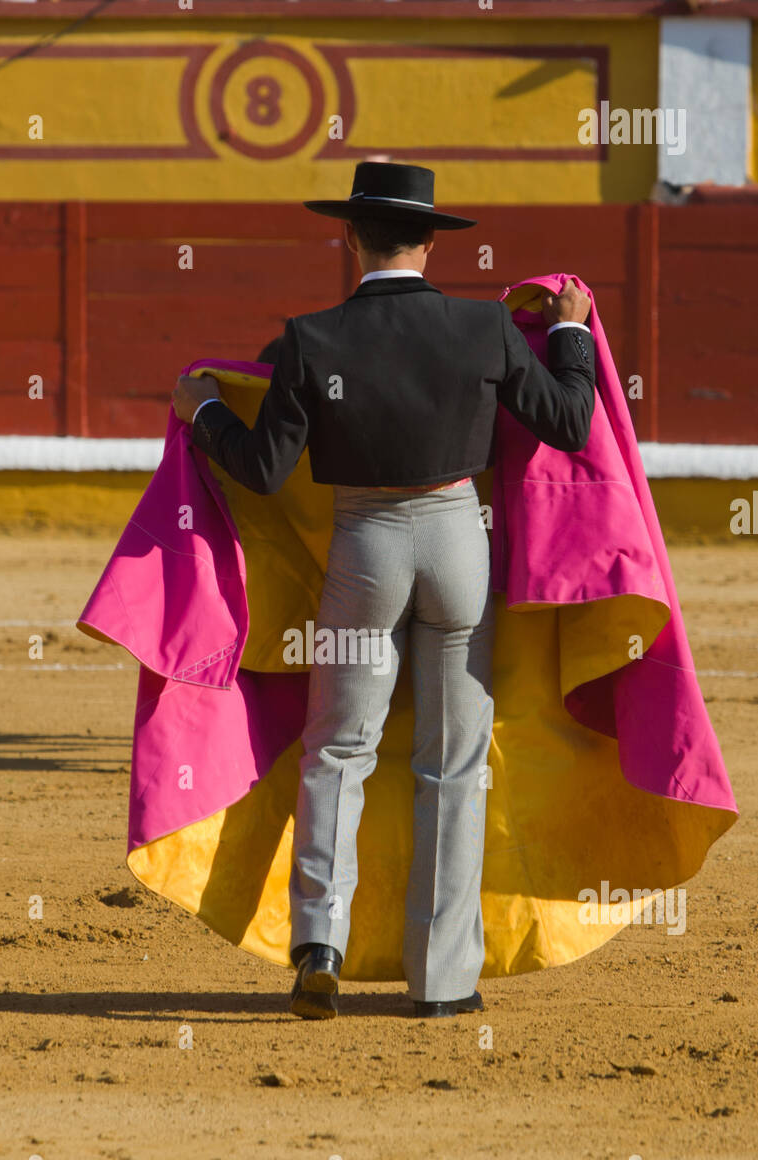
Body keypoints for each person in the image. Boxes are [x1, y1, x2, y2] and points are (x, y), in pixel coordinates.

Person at [172, 161, 594, 1020]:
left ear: (349, 236)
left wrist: (204, 412)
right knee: (453, 763)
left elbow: (259, 469)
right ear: (431, 242)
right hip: (455, 544)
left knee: (336, 750)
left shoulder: (311, 338)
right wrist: (573, 335)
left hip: (363, 549)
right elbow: (569, 421)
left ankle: (318, 941)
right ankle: (440, 981)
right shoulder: (484, 330)